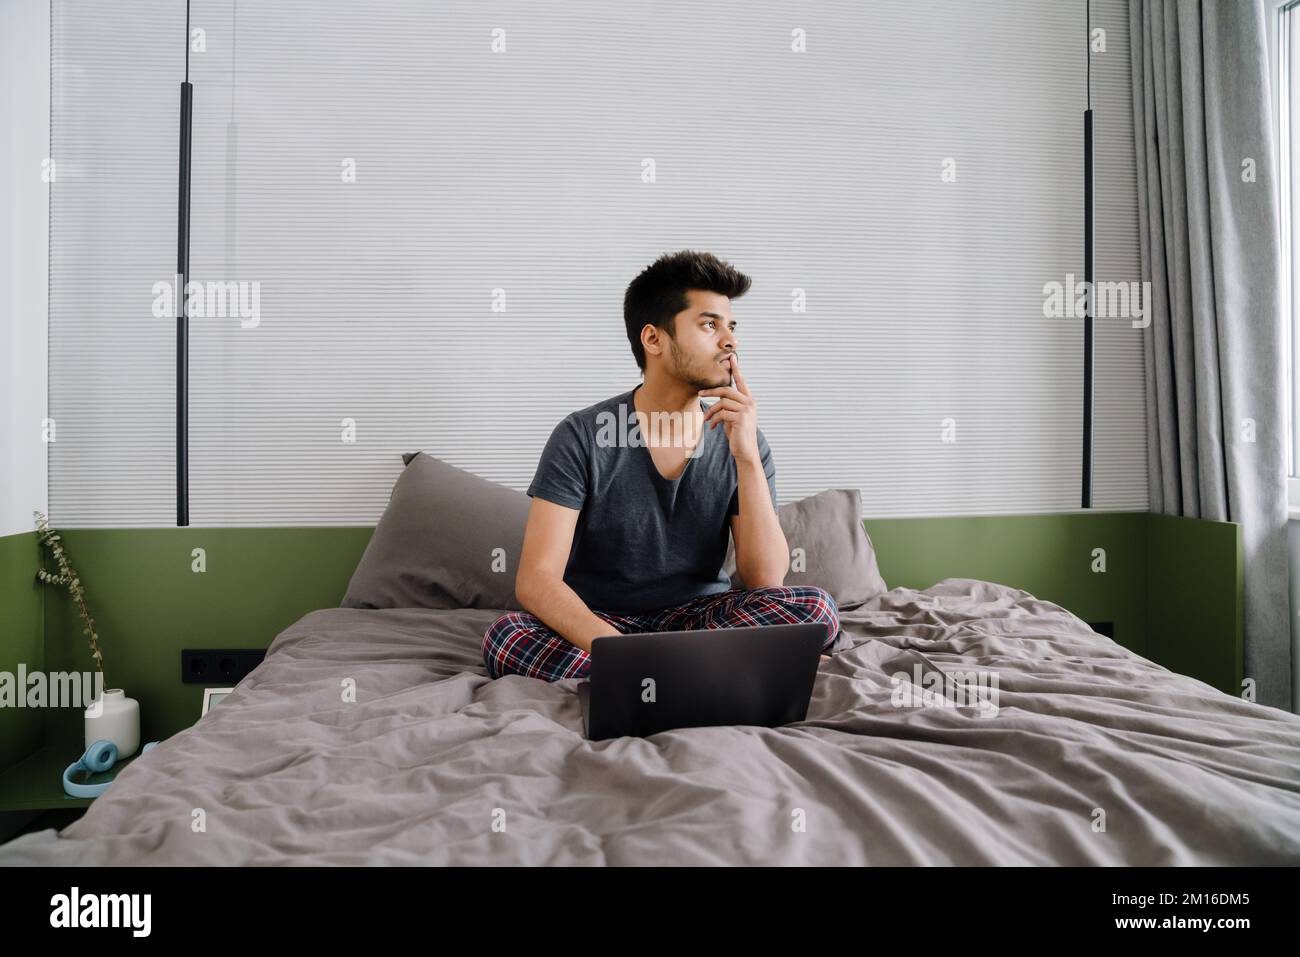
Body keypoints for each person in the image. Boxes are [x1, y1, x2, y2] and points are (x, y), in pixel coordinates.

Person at [483, 250, 839, 681]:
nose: (730, 341)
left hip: (700, 618)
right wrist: (621, 649)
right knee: (507, 636)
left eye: (731, 327)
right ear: (653, 340)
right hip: (601, 622)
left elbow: (765, 578)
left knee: (815, 608)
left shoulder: (743, 439)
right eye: (710, 325)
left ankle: (654, 677)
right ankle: (706, 671)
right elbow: (537, 581)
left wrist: (745, 457)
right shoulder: (581, 435)